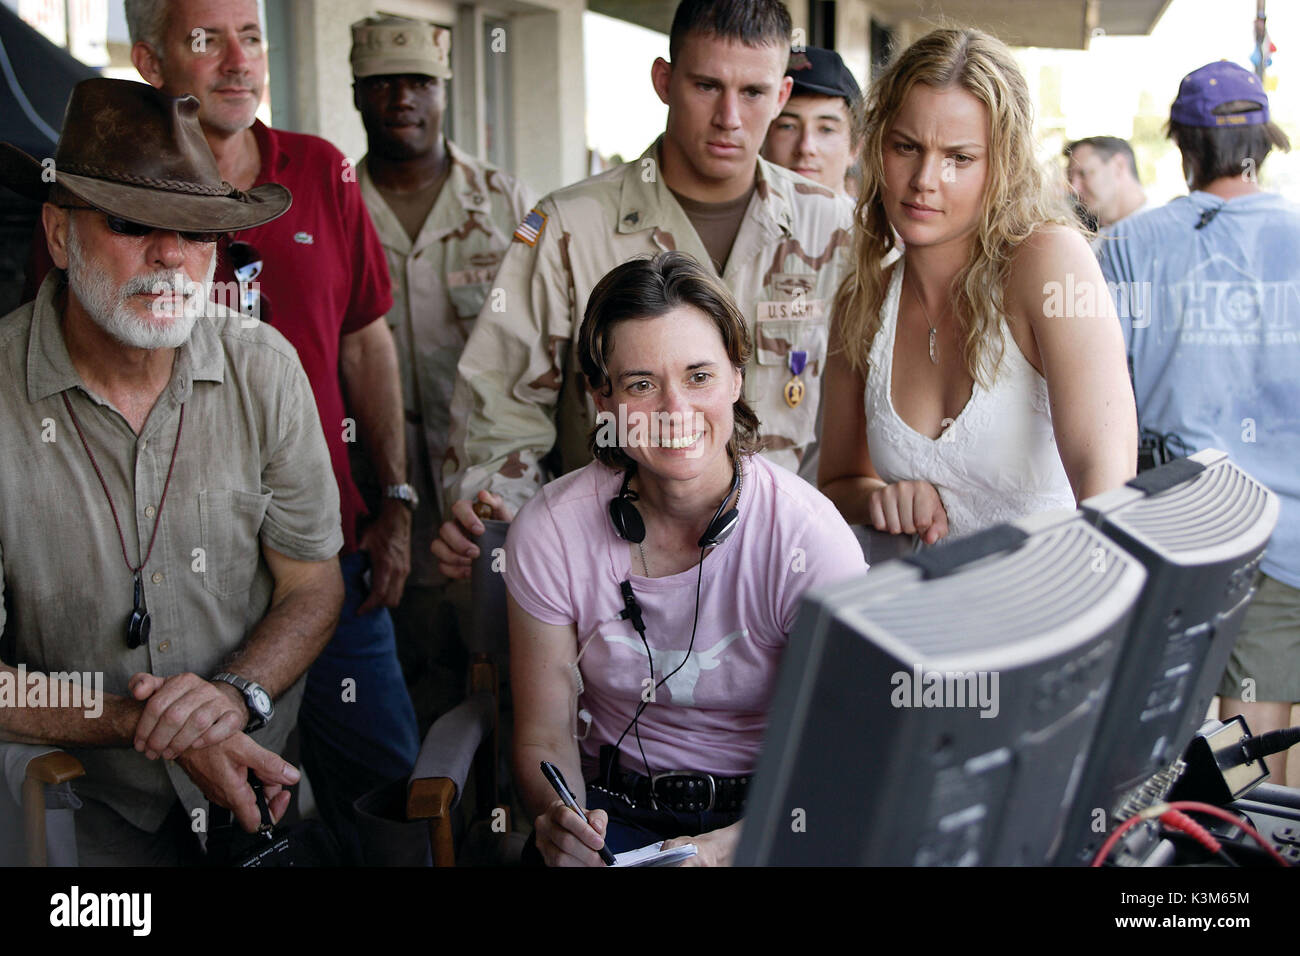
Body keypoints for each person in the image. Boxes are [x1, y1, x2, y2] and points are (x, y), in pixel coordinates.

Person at [0, 78, 344, 864]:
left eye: (194, 230)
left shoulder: (265, 370)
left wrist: (233, 695)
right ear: (59, 234)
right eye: (131, 222)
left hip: (263, 792)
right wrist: (135, 722)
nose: (169, 256)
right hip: (81, 817)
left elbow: (313, 584)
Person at [123, 0, 418, 865]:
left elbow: (367, 336)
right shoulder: (112, 199)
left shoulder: (323, 172)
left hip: (328, 553)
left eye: (250, 36)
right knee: (217, 810)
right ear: (150, 60)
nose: (237, 63)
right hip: (174, 575)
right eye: (204, 40)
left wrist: (394, 497)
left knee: (389, 785)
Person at [435, 0, 854, 577]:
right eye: (707, 85)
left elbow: (857, 403)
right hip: (612, 568)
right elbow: (500, 408)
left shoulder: (832, 226)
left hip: (778, 562)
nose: (729, 116)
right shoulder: (569, 226)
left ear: (781, 96)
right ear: (665, 80)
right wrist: (511, 525)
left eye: (753, 93)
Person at [503, 252, 866, 866]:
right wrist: (561, 820)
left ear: (736, 378)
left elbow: (849, 759)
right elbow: (544, 733)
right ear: (603, 397)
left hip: (774, 815)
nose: (675, 412)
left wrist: (723, 851)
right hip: (611, 813)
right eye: (642, 384)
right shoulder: (549, 530)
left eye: (699, 376)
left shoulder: (810, 538)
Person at [819, 28, 1136, 544]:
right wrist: (881, 497)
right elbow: (836, 483)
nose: (925, 177)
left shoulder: (1048, 261)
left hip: (1048, 611)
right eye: (907, 146)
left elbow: (1107, 478)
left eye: (959, 158)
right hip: (907, 618)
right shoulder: (864, 299)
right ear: (878, 148)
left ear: (1003, 167)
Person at [1098, 60, 1298, 783]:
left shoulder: (1128, 247)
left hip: (1177, 524)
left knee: (1176, 728)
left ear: (1184, 148)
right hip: (1288, 531)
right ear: (1265, 143)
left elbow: (1100, 393)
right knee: (1263, 732)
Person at [349, 15, 534, 726]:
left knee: (502, 667)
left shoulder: (508, 205)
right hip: (376, 488)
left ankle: (495, 825)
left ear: (444, 88)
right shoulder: (337, 207)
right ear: (359, 93)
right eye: (383, 83)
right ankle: (422, 830)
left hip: (486, 485)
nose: (403, 98)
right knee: (397, 677)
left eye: (420, 81)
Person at [762, 45, 862, 197]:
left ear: (856, 148)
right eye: (788, 126)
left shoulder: (875, 221)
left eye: (826, 129)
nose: (805, 147)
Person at [1063, 136, 1149, 228]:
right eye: (1070, 178)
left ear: (1119, 166)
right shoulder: (1091, 238)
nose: (1073, 188)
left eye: (1083, 174)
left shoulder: (1161, 231)